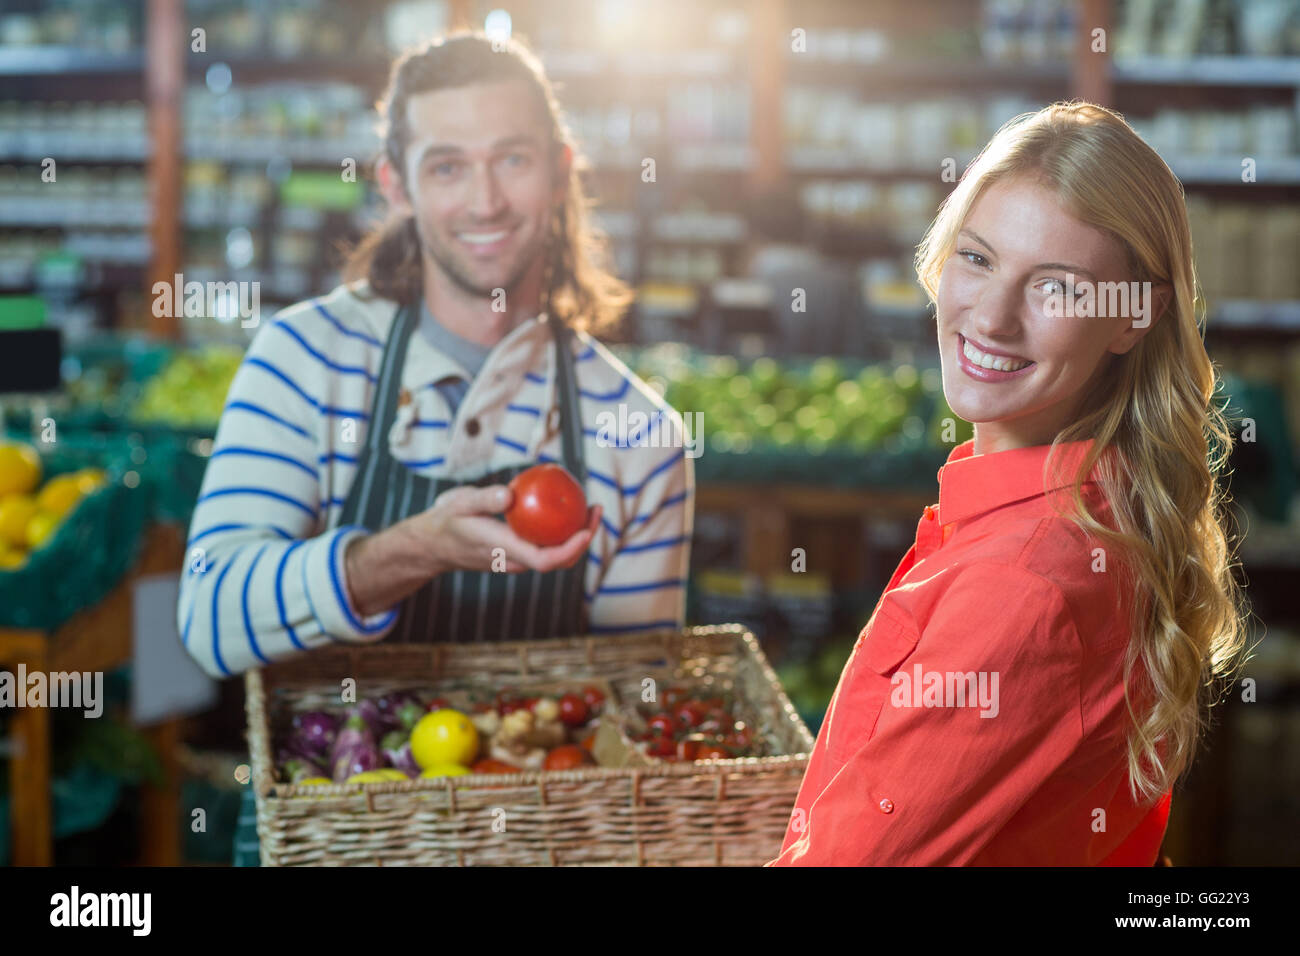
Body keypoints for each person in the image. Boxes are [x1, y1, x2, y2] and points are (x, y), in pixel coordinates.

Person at [173, 33, 693, 863]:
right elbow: (208, 621)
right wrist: (407, 552)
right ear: (397, 186)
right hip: (325, 837)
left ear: (561, 171)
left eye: (512, 160)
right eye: (447, 165)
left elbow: (627, 711)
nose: (484, 200)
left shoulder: (637, 432)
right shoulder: (304, 361)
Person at [768, 102, 1250, 866]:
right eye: (979, 258)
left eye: (1054, 287)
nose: (990, 318)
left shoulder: (1021, 587)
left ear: (1134, 318)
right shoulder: (1097, 512)